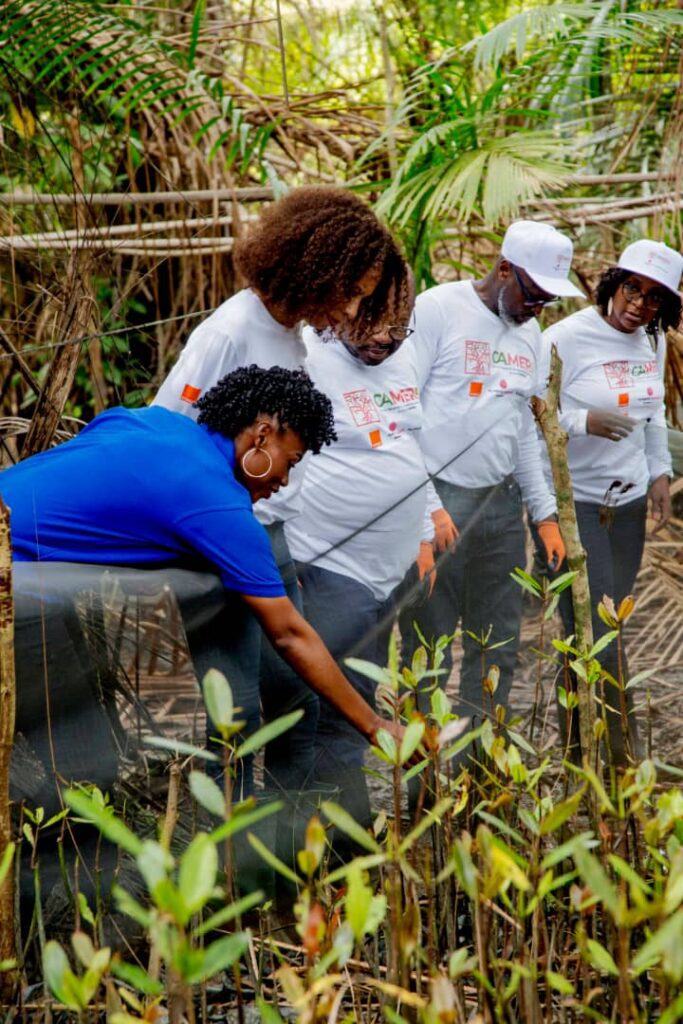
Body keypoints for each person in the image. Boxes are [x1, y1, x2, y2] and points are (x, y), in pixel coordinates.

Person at [1, 366, 406, 798]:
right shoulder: (218, 506)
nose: (284, 482)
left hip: (19, 565)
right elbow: (290, 635)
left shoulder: (152, 421)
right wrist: (375, 725)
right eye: (289, 462)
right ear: (262, 436)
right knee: (80, 772)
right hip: (12, 593)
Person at [153, 186, 409, 791]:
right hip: (221, 546)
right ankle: (229, 843)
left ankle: (295, 842)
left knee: (297, 705)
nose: (352, 309)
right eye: (350, 291)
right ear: (313, 268)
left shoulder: (292, 336)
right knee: (235, 718)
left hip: (273, 539)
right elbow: (165, 437)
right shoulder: (231, 332)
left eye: (364, 297)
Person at [400, 221, 582, 742]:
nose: (537, 310)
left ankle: (480, 768)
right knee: (428, 643)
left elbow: (523, 431)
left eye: (548, 302)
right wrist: (428, 511)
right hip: (438, 499)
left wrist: (544, 516)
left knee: (497, 641)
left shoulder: (530, 336)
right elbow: (402, 417)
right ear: (504, 270)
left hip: (500, 508)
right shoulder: (438, 310)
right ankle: (424, 772)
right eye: (533, 295)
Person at [282, 277, 453, 825]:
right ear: (342, 311)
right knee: (339, 715)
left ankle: (338, 840)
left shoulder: (401, 362)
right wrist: (283, 556)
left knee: (363, 690)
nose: (385, 338)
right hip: (329, 565)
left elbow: (406, 442)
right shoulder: (306, 358)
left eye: (398, 326)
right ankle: (345, 847)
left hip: (387, 575)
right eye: (372, 323)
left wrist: (423, 528)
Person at [541, 239, 682, 765]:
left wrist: (660, 471)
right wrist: (583, 421)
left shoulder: (652, 341)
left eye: (653, 297)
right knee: (597, 627)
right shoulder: (564, 338)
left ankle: (580, 751)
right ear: (612, 285)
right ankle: (622, 759)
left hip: (626, 506)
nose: (638, 304)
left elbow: (653, 414)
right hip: (573, 504)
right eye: (632, 289)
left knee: (599, 628)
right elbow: (530, 415)